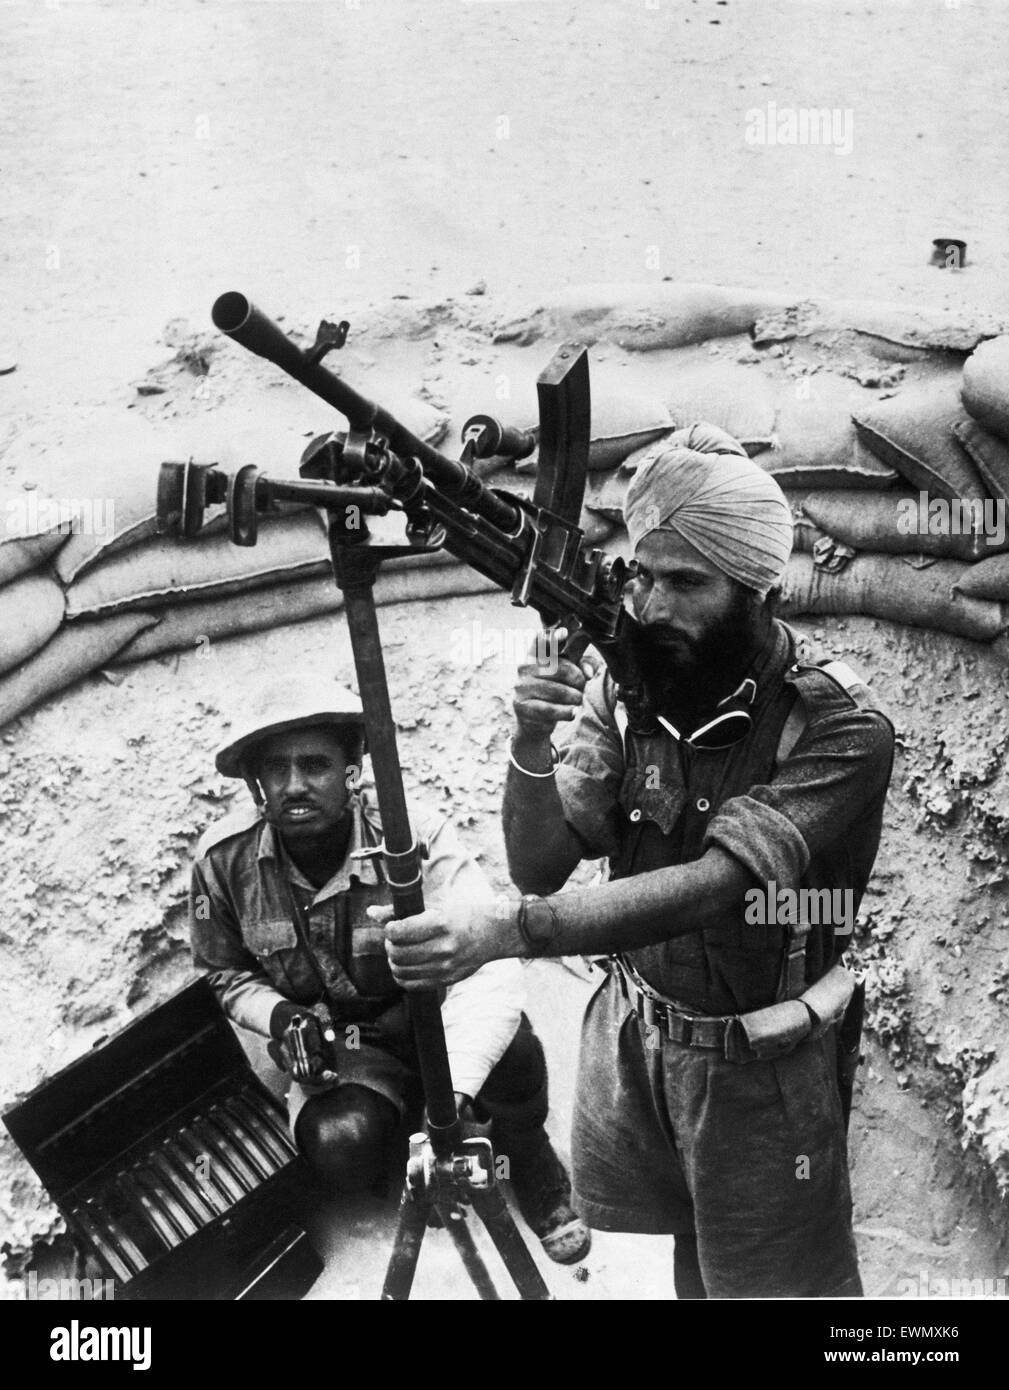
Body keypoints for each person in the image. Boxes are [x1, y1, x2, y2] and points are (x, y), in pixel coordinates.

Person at [384, 422, 896, 1298]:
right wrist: (529, 740)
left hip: (760, 1071)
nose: (653, 608)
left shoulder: (839, 730)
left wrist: (507, 933)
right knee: (691, 1268)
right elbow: (541, 862)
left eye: (687, 583)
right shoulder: (630, 699)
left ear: (758, 587)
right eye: (643, 578)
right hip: (641, 1042)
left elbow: (715, 890)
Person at [189, 674, 590, 1265]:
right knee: (338, 1144)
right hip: (345, 1043)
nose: (295, 785)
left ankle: (526, 1155)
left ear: (352, 772)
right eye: (276, 769)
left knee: (514, 1056)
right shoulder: (222, 863)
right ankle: (408, 1149)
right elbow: (224, 974)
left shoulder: (414, 834)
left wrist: (452, 1095)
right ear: (256, 783)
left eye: (316, 765)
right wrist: (282, 1019)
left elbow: (489, 965)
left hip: (433, 1016)